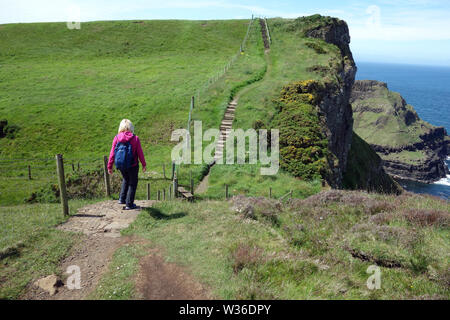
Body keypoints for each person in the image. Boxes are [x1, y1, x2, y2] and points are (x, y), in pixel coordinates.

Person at [107, 119, 146, 210]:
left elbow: (112, 153)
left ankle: (122, 198)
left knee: (126, 178)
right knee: (133, 183)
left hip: (121, 165)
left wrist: (110, 166)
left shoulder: (116, 138)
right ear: (131, 127)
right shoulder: (135, 138)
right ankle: (129, 204)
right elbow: (140, 153)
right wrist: (144, 164)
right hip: (133, 165)